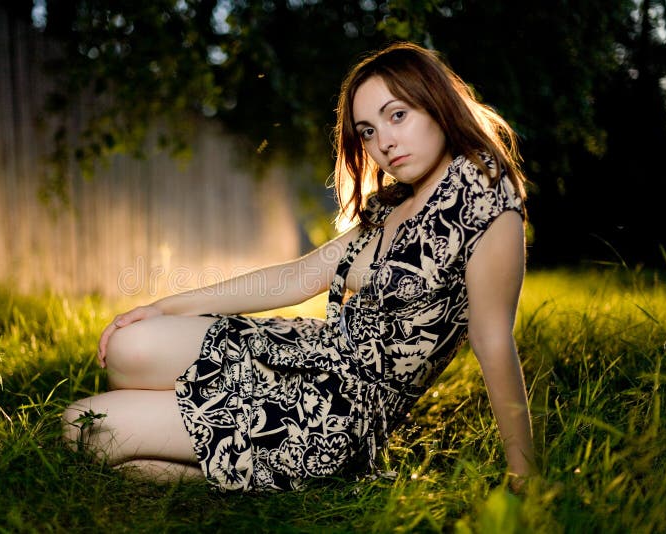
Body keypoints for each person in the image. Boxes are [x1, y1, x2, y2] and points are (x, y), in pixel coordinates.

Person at [62, 41, 535, 492]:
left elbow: (492, 339)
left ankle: (248, 462)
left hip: (333, 412)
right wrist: (164, 306)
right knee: (130, 347)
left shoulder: (483, 199)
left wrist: (524, 475)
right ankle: (214, 441)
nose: (384, 143)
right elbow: (301, 276)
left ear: (437, 105)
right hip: (308, 351)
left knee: (83, 428)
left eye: (397, 116)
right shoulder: (399, 204)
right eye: (368, 130)